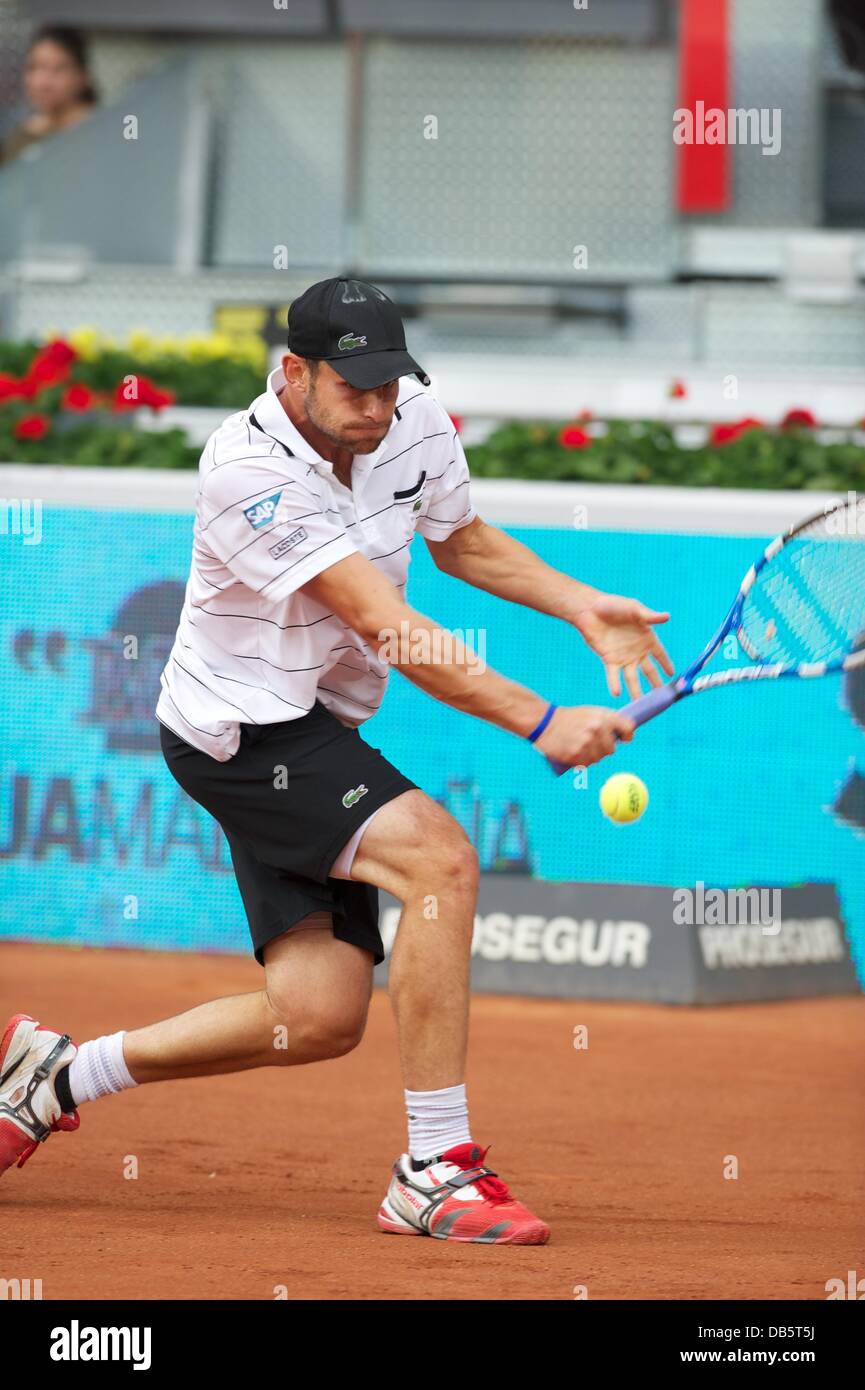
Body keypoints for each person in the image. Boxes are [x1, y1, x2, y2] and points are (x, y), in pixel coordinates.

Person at [0, 277, 672, 1244]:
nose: (376, 406)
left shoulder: (411, 419)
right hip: (240, 735)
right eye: (353, 386)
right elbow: (385, 622)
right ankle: (433, 1170)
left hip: (319, 721)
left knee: (315, 1016)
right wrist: (541, 722)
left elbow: (462, 541)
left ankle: (57, 1074)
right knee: (437, 858)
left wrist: (577, 603)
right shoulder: (245, 469)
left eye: (390, 384)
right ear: (294, 373)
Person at [0, 26, 97, 166]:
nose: (42, 83)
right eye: (34, 68)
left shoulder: (102, 131)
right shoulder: (19, 139)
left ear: (83, 76)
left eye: (58, 69)